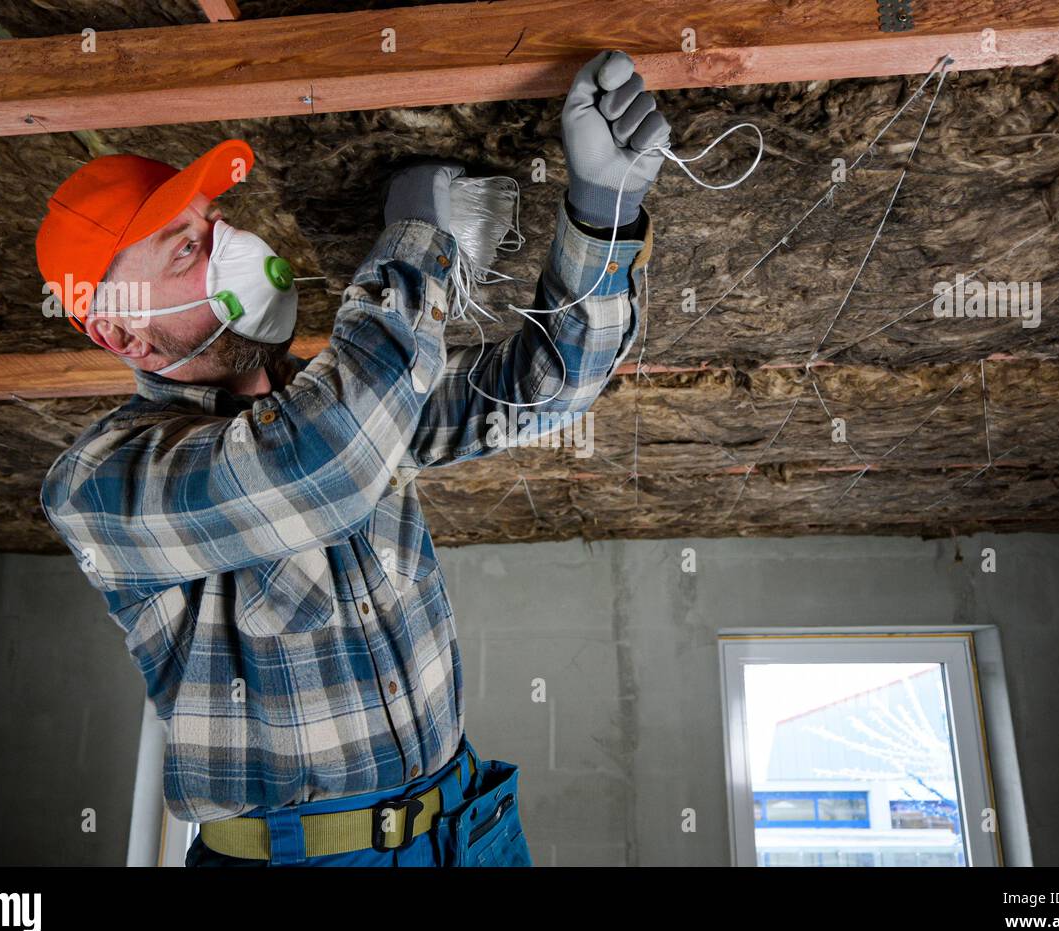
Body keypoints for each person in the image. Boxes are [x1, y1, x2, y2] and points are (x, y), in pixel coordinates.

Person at [35, 49, 669, 866]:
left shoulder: (355, 401)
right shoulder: (101, 483)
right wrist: (415, 241)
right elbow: (321, 467)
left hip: (467, 824)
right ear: (122, 332)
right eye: (187, 250)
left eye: (215, 224)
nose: (233, 244)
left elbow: (542, 389)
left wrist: (603, 214)